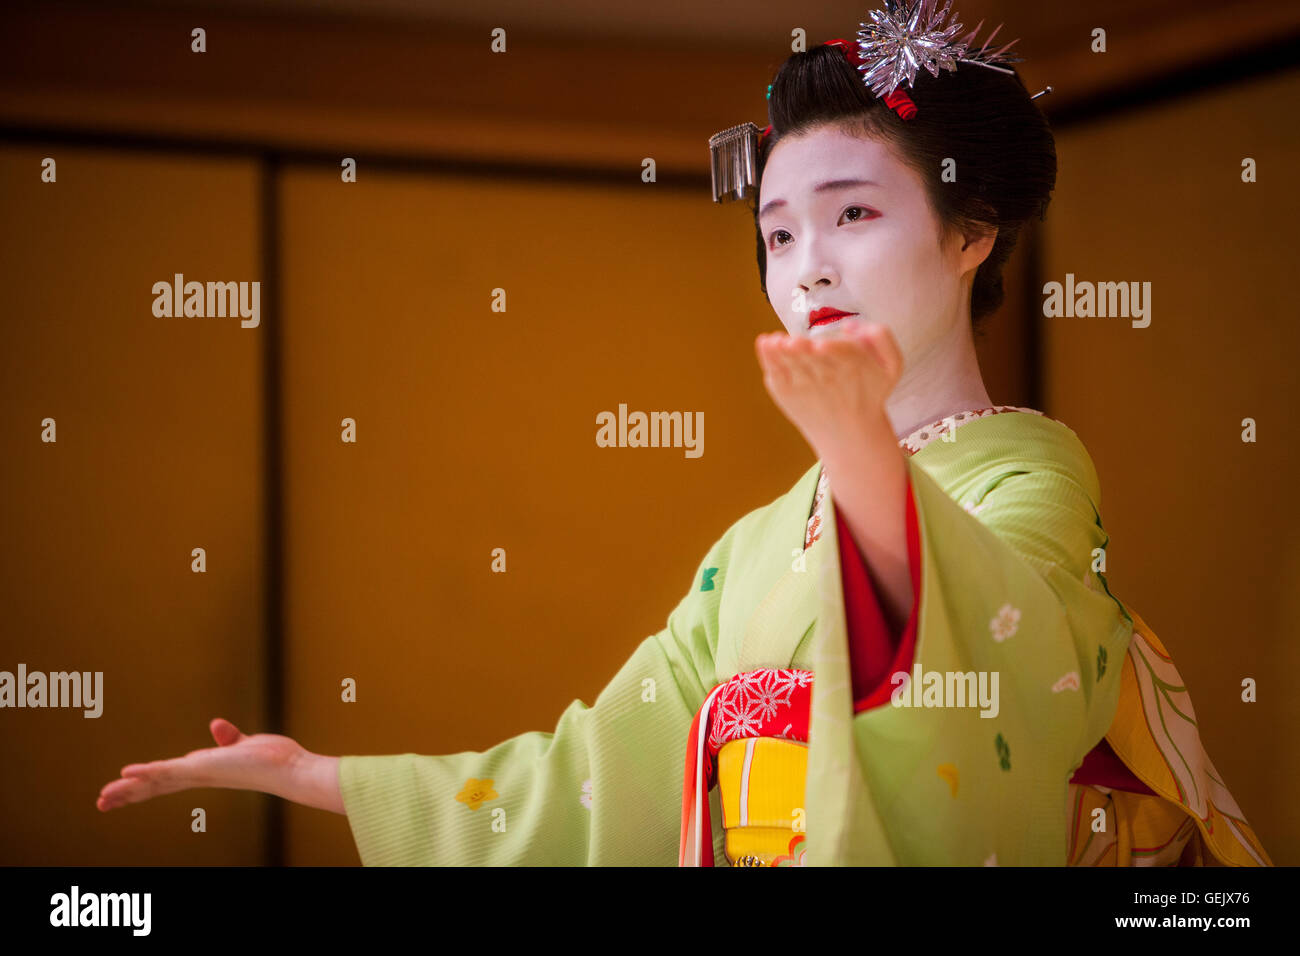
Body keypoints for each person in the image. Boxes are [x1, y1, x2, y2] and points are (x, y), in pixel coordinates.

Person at [97, 4, 1271, 867]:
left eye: (853, 214)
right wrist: (322, 776)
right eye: (775, 234)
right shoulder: (756, 545)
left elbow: (998, 672)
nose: (807, 264)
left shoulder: (1032, 468)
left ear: (971, 230)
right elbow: (603, 767)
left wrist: (858, 447)